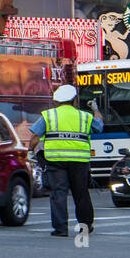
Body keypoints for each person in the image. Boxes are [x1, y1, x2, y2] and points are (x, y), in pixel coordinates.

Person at [29, 84, 100, 238]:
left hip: (56, 161)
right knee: (81, 194)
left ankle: (60, 229)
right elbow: (99, 126)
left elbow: (35, 136)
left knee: (58, 194)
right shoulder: (85, 116)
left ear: (57, 101)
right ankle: (85, 226)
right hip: (79, 161)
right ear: (74, 100)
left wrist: (30, 153)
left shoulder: (49, 116)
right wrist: (95, 109)